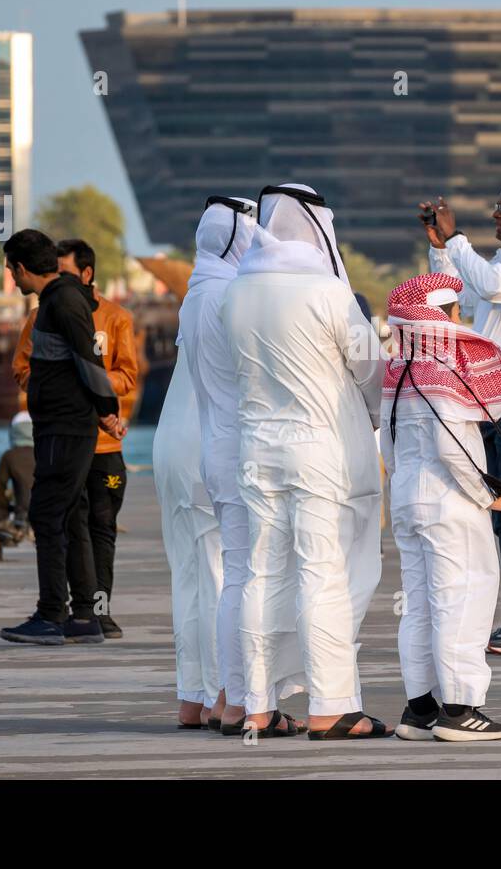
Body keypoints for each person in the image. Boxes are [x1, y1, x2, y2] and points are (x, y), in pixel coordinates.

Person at [223, 182, 388, 739]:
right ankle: (331, 707)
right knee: (323, 572)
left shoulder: (235, 291)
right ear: (317, 226)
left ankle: (258, 706)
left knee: (260, 573)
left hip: (254, 451)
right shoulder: (328, 293)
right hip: (319, 452)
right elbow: (373, 372)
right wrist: (369, 418)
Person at [179, 196, 304, 735]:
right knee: (258, 577)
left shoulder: (194, 294)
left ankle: (229, 698)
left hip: (216, 445)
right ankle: (249, 702)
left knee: (237, 577)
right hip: (246, 450)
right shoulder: (229, 294)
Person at [382, 272, 501, 741]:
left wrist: (402, 488)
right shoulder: (440, 368)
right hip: (447, 502)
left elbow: (388, 443)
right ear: (442, 316)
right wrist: (491, 495)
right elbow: (450, 445)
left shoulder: (397, 368)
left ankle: (419, 710)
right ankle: (460, 711)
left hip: (407, 499)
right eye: (457, 311)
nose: (462, 319)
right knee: (461, 599)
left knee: (419, 605)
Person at [419, 182, 501, 656]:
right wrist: (441, 252)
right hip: (493, 408)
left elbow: (494, 286)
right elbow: (466, 301)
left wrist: (457, 240)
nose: (495, 216)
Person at [0, 229, 125, 646]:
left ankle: (51, 615)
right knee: (70, 516)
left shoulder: (62, 302)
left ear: (21, 267)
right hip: (63, 426)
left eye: (11, 270)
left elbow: (88, 360)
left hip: (65, 428)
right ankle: (85, 617)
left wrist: (106, 411)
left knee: (46, 514)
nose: (12, 279)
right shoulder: (58, 300)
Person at [153, 306, 224, 729]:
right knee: (220, 574)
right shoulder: (233, 294)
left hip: (170, 443)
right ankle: (220, 695)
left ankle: (192, 697)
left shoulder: (194, 298)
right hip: (204, 447)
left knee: (188, 575)